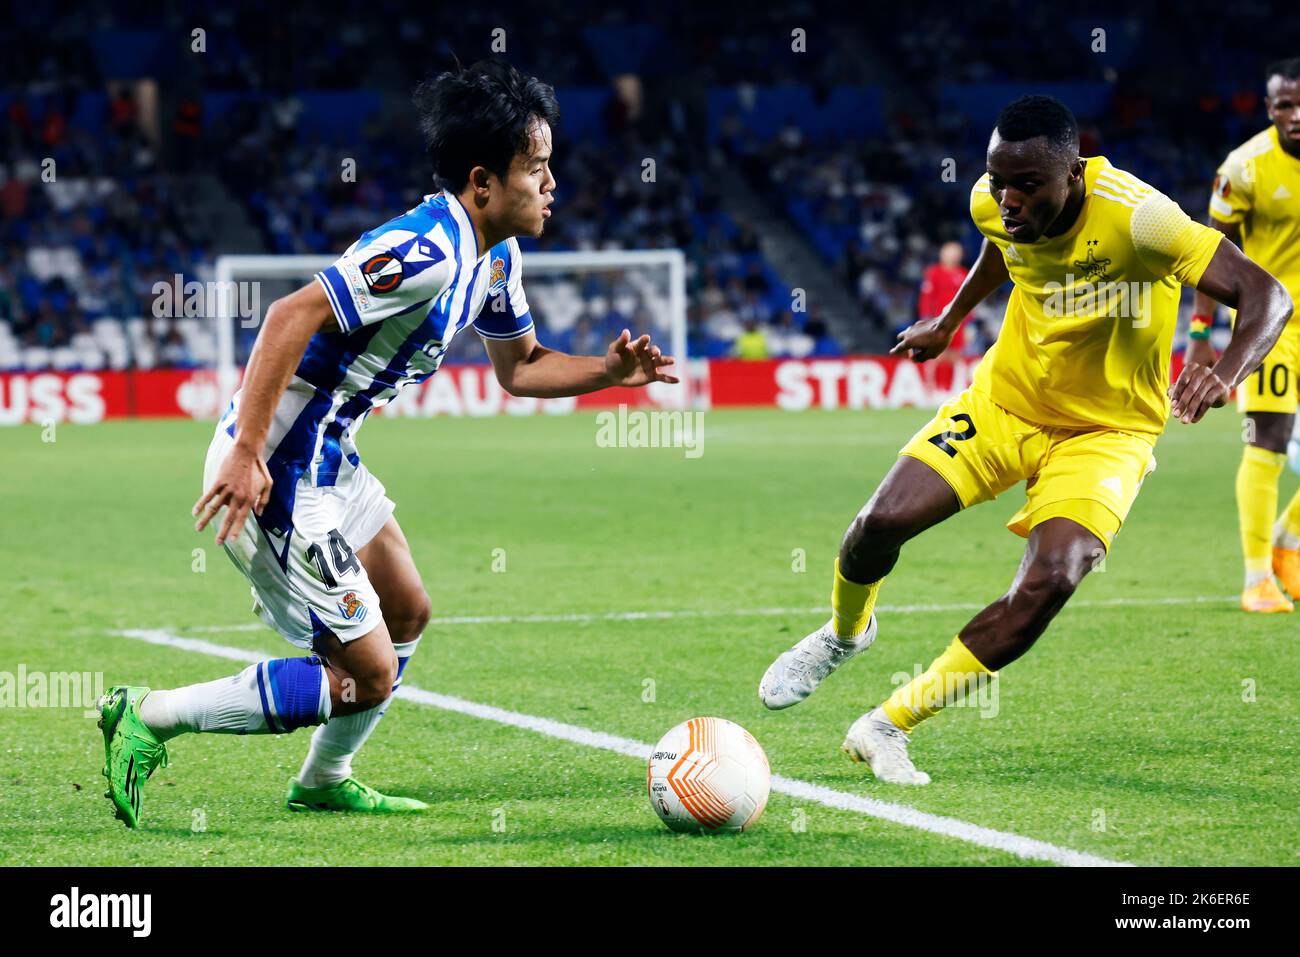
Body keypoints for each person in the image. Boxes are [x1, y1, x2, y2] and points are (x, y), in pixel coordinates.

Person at [96, 60, 677, 828]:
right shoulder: (426, 250)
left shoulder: (497, 257)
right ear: (481, 182)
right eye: (535, 168)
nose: (551, 183)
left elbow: (523, 367)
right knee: (366, 675)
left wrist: (607, 371)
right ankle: (150, 714)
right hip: (277, 473)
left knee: (407, 607)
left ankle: (325, 778)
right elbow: (287, 317)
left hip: (332, 464)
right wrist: (243, 451)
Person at [758, 95, 1291, 784]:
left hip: (1109, 429)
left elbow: (1267, 295)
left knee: (1052, 577)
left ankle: (888, 723)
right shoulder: (994, 200)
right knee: (876, 526)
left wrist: (1224, 371)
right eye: (997, 180)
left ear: (1074, 171)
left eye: (1028, 185)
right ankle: (844, 633)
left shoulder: (1142, 217)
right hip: (1008, 401)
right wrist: (949, 321)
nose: (1008, 198)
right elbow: (1000, 245)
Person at [1186, 58, 1300, 612]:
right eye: (1285, 105)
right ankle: (1258, 577)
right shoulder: (1245, 168)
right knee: (1268, 441)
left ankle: (1289, 541)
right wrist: (1201, 331)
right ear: (1269, 107)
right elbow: (1213, 254)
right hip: (1272, 326)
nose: (1296, 115)